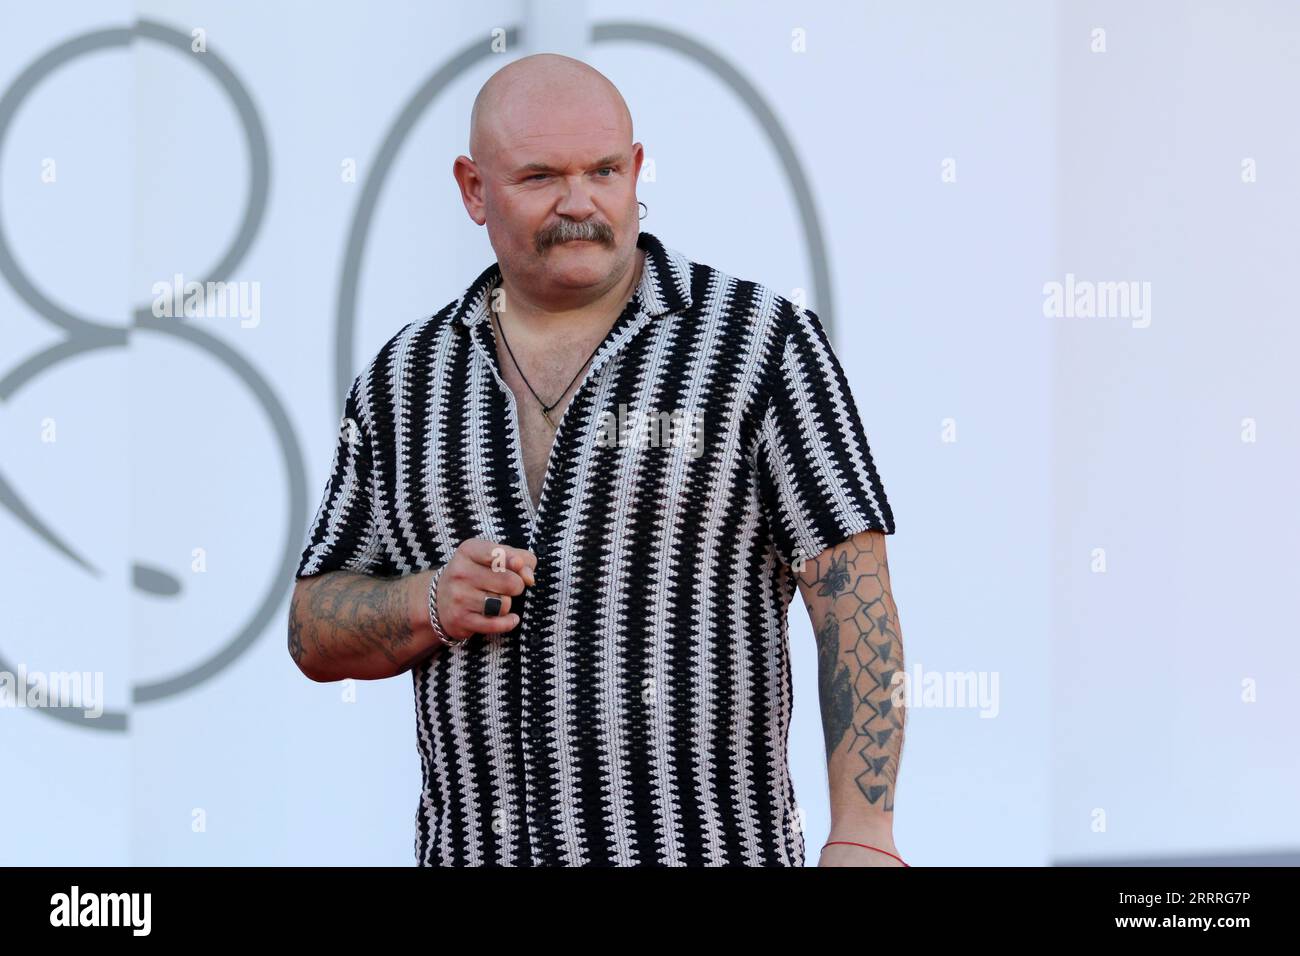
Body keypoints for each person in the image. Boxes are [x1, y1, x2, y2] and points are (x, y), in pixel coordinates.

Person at [288, 52, 907, 868]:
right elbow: (312, 626)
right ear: (474, 189)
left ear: (638, 168)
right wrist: (428, 600)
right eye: (541, 177)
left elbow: (853, 597)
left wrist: (864, 836)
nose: (580, 204)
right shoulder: (406, 379)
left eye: (605, 170)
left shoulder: (759, 342)